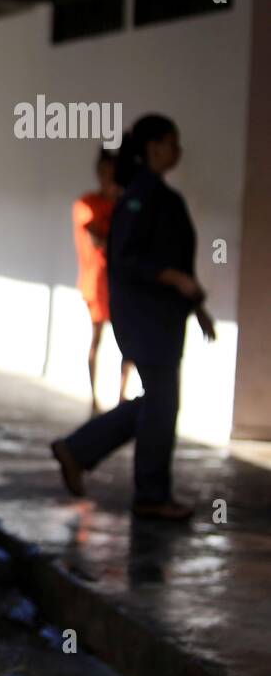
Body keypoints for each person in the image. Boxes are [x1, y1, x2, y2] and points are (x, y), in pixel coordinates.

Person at [51, 114, 215, 522]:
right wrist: (175, 280)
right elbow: (128, 258)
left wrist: (196, 308)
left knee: (156, 402)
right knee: (161, 403)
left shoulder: (158, 197)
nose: (178, 150)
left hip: (160, 316)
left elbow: (173, 260)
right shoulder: (141, 198)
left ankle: (79, 450)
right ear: (154, 148)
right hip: (146, 317)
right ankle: (149, 493)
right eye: (172, 142)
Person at [72, 151, 132, 414]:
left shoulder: (125, 203)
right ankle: (94, 398)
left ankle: (121, 396)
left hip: (120, 281)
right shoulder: (88, 203)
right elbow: (98, 237)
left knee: (127, 342)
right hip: (97, 280)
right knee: (97, 338)